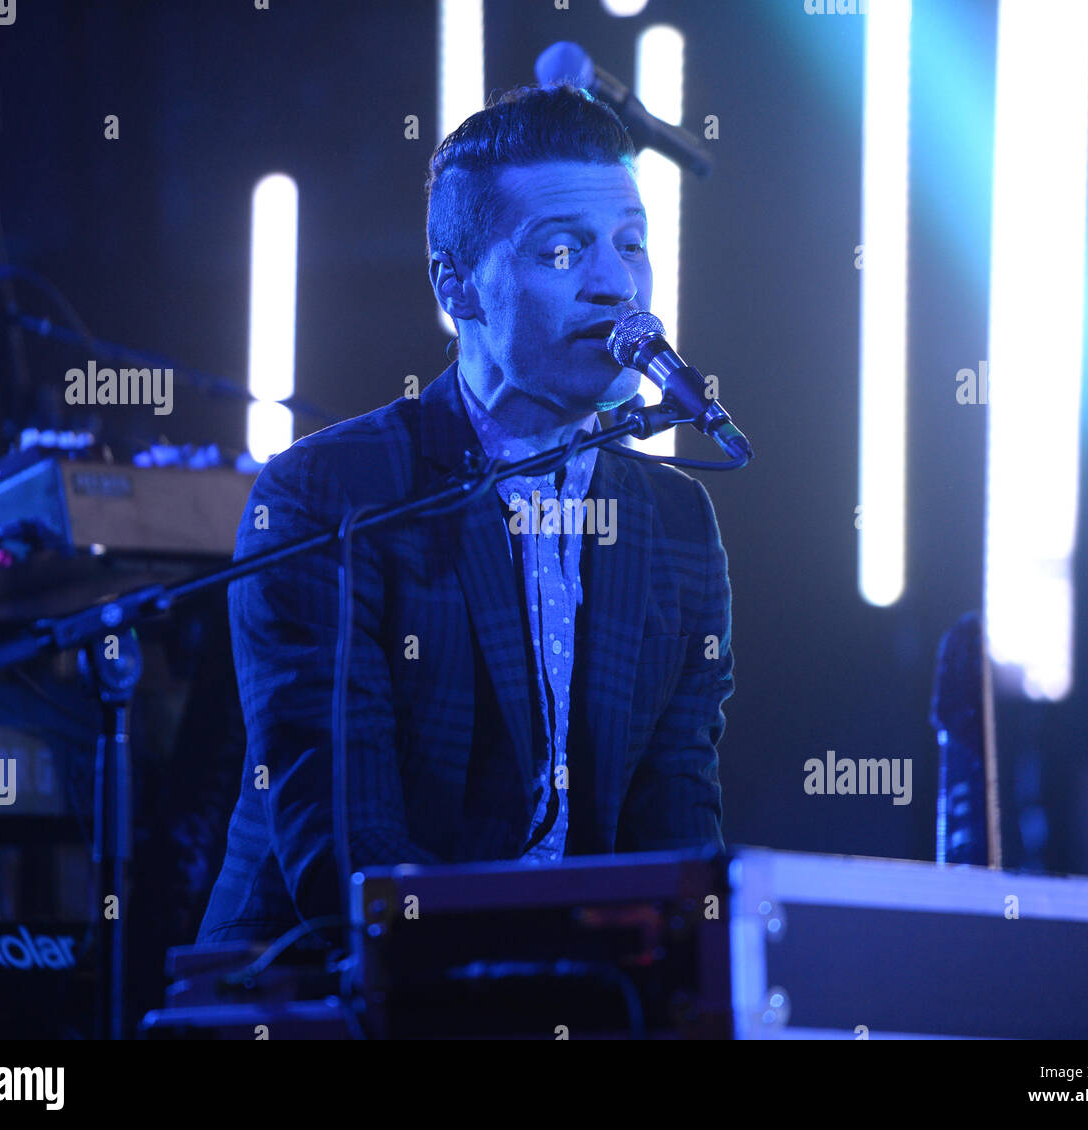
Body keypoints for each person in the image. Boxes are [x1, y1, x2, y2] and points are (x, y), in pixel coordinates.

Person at [198, 82, 734, 944]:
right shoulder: (331, 495)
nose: (613, 283)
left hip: (568, 987)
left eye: (630, 245)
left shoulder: (676, 520)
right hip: (324, 985)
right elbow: (352, 852)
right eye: (562, 252)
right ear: (459, 287)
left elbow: (674, 821)